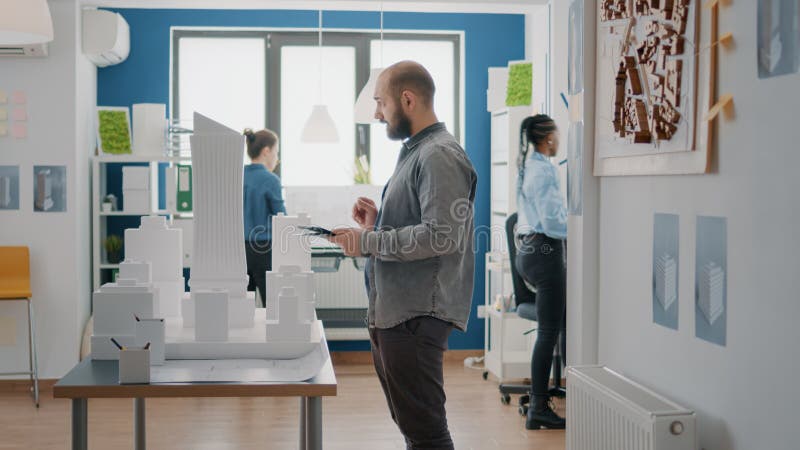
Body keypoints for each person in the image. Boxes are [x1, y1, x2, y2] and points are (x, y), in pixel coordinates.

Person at [328, 61, 477, 450]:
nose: (377, 114)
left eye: (380, 103)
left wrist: (369, 241)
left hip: (414, 318)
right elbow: (423, 226)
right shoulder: (418, 153)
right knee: (415, 427)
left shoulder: (438, 155)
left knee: (426, 433)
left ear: (407, 99)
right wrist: (379, 224)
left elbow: (440, 237)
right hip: (397, 315)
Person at [514, 114, 567, 430]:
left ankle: (542, 401)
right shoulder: (543, 172)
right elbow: (552, 223)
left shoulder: (529, 167)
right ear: (548, 138)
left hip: (530, 251)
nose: (559, 140)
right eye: (557, 134)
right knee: (549, 331)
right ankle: (538, 408)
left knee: (553, 326)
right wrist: (578, 226)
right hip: (544, 253)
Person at [243, 128, 286, 307]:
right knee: (272, 305)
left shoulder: (237, 176)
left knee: (243, 304)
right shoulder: (270, 180)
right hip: (264, 249)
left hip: (239, 249)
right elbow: (282, 218)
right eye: (276, 152)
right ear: (266, 151)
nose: (277, 158)